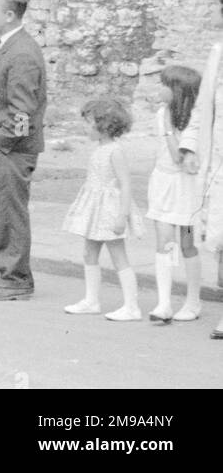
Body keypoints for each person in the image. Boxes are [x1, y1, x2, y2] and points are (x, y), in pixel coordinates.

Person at [0, 0, 48, 300]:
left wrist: (1, 142)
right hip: (5, 147)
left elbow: (23, 112)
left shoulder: (22, 53)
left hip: (11, 150)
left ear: (9, 14)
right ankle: (11, 275)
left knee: (10, 214)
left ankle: (16, 280)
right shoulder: (11, 45)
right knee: (4, 213)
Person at [61, 97, 141, 320]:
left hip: (110, 210)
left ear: (104, 125)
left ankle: (132, 306)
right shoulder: (99, 148)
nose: (85, 127)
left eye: (89, 122)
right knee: (89, 252)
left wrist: (122, 216)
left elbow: (125, 184)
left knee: (118, 255)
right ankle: (91, 300)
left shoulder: (115, 151)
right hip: (95, 209)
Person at [179, 0, 223, 338]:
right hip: (220, 161)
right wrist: (191, 144)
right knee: (220, 239)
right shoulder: (218, 52)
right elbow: (202, 107)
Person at [146, 65, 203, 323]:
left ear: (177, 90)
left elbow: (177, 156)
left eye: (164, 84)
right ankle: (164, 303)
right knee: (165, 242)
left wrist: (168, 126)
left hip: (188, 190)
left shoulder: (195, 119)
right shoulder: (162, 112)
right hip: (163, 186)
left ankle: (193, 302)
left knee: (188, 243)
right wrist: (164, 115)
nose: (160, 89)